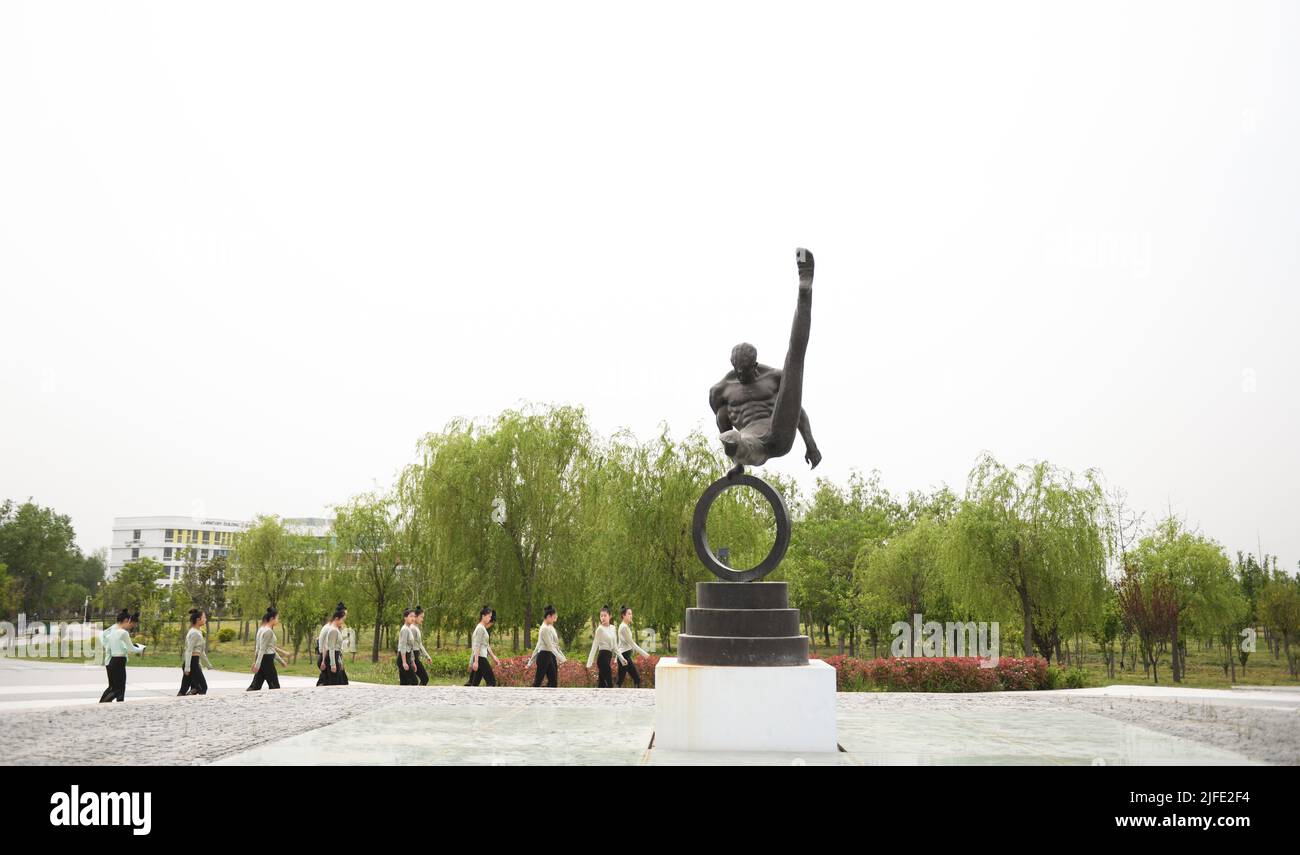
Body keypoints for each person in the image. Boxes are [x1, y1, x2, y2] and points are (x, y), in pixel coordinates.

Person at [708, 248, 821, 475]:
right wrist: (737, 464)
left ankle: (804, 292)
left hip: (780, 430)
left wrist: (811, 444)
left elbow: (797, 411)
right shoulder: (720, 391)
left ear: (755, 365)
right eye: (739, 372)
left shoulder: (774, 378)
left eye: (747, 371)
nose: (742, 376)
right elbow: (722, 421)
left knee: (795, 358)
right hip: (752, 441)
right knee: (739, 442)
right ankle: (737, 450)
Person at [98, 610, 143, 703]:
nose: (130, 625)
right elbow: (131, 648)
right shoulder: (121, 632)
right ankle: (102, 704)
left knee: (115, 687)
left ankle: (113, 704)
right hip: (117, 660)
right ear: (126, 620)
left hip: (113, 659)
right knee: (117, 688)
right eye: (129, 621)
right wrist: (141, 648)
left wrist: (112, 648)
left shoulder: (114, 631)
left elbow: (117, 644)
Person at [248, 607, 289, 691]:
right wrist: (257, 664)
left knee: (255, 686)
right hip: (267, 661)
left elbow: (264, 648)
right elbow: (262, 649)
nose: (278, 620)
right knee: (275, 686)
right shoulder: (268, 631)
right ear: (271, 619)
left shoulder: (261, 629)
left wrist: (256, 662)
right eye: (277, 618)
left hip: (264, 659)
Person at [526, 605, 565, 687]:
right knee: (538, 682)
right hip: (544, 656)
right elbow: (549, 646)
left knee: (553, 683)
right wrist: (562, 658)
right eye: (554, 617)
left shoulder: (549, 627)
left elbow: (554, 645)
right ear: (548, 616)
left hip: (549, 655)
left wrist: (561, 657)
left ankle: (546, 695)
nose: (555, 620)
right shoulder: (544, 629)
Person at [178, 609, 214, 696]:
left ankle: (185, 700)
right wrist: (187, 668)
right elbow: (189, 650)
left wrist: (208, 665)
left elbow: (201, 652)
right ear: (198, 620)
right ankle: (192, 701)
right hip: (192, 664)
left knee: (185, 689)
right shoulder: (194, 633)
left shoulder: (198, 632)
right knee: (202, 687)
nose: (205, 619)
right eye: (204, 617)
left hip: (193, 663)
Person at [616, 605, 650, 688]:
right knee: (634, 679)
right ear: (623, 615)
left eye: (631, 614)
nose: (631, 615)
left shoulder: (625, 626)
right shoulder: (623, 627)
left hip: (625, 655)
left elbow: (628, 644)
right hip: (623, 656)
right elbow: (632, 644)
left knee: (624, 680)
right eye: (629, 614)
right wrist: (645, 655)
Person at [465, 606, 500, 687]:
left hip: (481, 657)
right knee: (491, 682)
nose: (490, 619)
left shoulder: (482, 628)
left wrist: (493, 657)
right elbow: (477, 645)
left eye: (491, 617)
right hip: (480, 657)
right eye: (489, 616)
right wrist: (476, 661)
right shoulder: (480, 628)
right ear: (483, 616)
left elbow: (486, 645)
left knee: (474, 684)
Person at [586, 606, 619, 688]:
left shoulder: (613, 628)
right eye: (601, 616)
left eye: (605, 615)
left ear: (610, 616)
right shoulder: (600, 629)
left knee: (601, 685)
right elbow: (594, 646)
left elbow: (615, 646)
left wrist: (621, 658)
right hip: (602, 658)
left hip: (609, 657)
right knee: (609, 683)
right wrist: (589, 663)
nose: (603, 618)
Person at [317, 602, 349, 686]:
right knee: (337, 682)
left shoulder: (333, 627)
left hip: (330, 656)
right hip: (328, 657)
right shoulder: (331, 629)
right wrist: (331, 663)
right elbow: (328, 647)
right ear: (337, 617)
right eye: (344, 617)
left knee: (331, 682)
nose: (344, 620)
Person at [410, 606, 431, 686]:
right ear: (416, 616)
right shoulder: (412, 628)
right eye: (421, 617)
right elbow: (410, 646)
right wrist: (412, 660)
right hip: (413, 656)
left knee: (423, 679)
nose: (422, 619)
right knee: (424, 678)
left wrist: (427, 656)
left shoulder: (416, 628)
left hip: (416, 655)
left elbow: (420, 644)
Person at [396, 608, 416, 685]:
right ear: (405, 618)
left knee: (404, 683)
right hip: (402, 658)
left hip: (407, 657)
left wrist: (412, 662)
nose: (413, 618)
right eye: (411, 616)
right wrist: (404, 662)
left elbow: (410, 647)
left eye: (414, 616)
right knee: (414, 681)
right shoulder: (405, 629)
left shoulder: (409, 629)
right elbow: (403, 646)